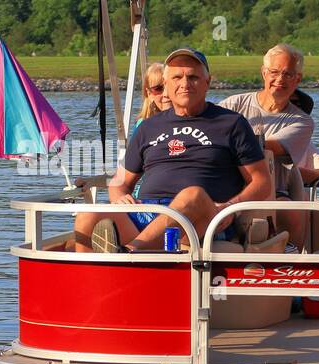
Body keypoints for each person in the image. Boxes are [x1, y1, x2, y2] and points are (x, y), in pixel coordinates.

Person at [72, 48, 271, 252]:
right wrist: (119, 196)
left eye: (193, 77)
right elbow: (119, 182)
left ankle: (131, 252)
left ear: (207, 83)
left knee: (191, 195)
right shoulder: (148, 127)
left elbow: (262, 182)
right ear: (166, 85)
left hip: (205, 218)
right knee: (88, 216)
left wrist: (230, 207)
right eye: (177, 77)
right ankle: (90, 280)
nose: (184, 84)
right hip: (147, 212)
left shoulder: (232, 123)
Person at [219, 43, 316, 244]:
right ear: (264, 73)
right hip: (226, 186)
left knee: (288, 211)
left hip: (273, 193)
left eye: (288, 74)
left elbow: (267, 148)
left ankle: (288, 258)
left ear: (298, 79)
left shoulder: (302, 122)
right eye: (274, 72)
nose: (279, 79)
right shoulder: (231, 105)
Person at [134, 61, 171, 130]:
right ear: (149, 93)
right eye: (158, 89)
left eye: (170, 87)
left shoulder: (191, 121)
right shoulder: (142, 127)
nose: (166, 93)